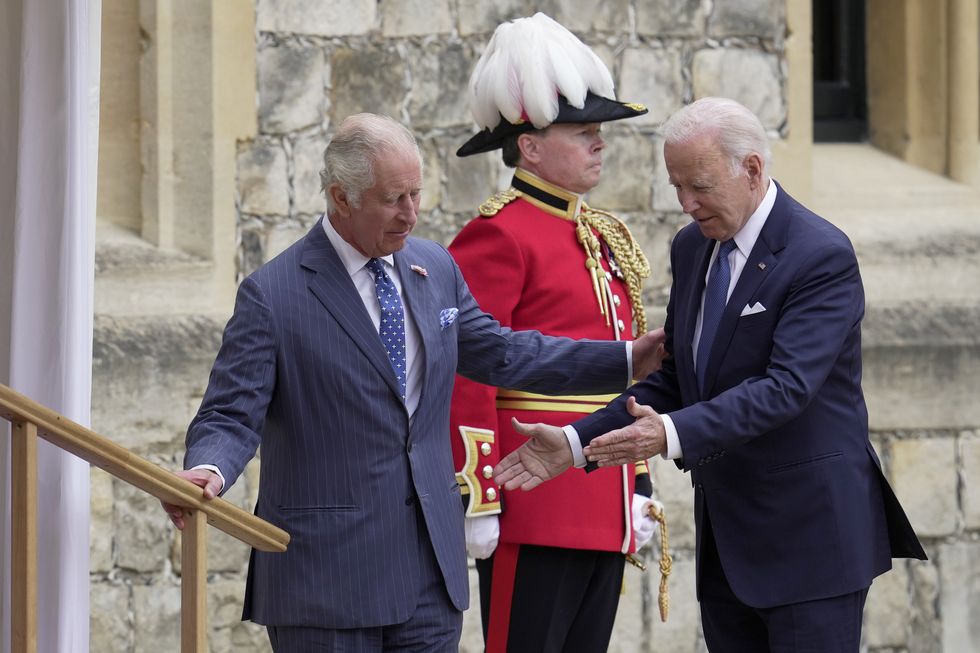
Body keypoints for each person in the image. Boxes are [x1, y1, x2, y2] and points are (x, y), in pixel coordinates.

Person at [160, 113, 664, 652]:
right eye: (393, 198)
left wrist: (626, 359)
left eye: (416, 194)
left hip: (429, 573)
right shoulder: (273, 294)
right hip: (328, 578)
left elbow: (502, 352)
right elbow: (230, 413)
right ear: (341, 197)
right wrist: (209, 468)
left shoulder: (433, 266)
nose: (410, 214)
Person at [495, 97, 928, 652]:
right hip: (729, 542)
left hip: (811, 542)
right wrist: (577, 443)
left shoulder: (820, 255)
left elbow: (786, 388)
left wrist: (668, 435)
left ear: (751, 169)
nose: (686, 204)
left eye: (698, 186)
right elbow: (675, 379)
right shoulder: (693, 247)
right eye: (676, 187)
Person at [448, 13, 664, 653]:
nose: (600, 142)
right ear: (532, 146)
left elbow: (632, 378)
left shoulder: (601, 233)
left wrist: (640, 481)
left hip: (604, 491)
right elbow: (472, 368)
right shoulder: (498, 232)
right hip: (534, 500)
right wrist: (481, 492)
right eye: (583, 131)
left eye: (601, 131)